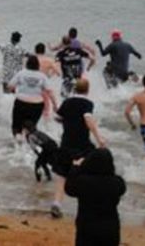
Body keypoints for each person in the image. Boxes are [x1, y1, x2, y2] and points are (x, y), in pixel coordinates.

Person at [51, 79, 107, 219]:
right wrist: (99, 137)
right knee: (90, 172)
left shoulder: (67, 102)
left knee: (61, 175)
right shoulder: (87, 104)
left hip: (66, 143)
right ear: (87, 90)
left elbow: (57, 118)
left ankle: (57, 203)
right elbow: (88, 119)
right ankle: (91, 205)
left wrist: (69, 121)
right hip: (82, 144)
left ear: (75, 89)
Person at [65, 148, 126, 246]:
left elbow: (69, 188)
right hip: (110, 228)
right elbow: (122, 189)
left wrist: (75, 167)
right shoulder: (117, 183)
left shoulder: (83, 182)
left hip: (87, 227)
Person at [7, 56, 57, 140]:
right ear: (37, 65)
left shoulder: (21, 73)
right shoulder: (42, 76)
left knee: (16, 126)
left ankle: (18, 143)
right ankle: (29, 145)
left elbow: (10, 86)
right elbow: (50, 92)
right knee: (31, 127)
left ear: (27, 64)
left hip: (21, 102)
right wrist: (55, 105)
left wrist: (14, 91)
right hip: (37, 105)